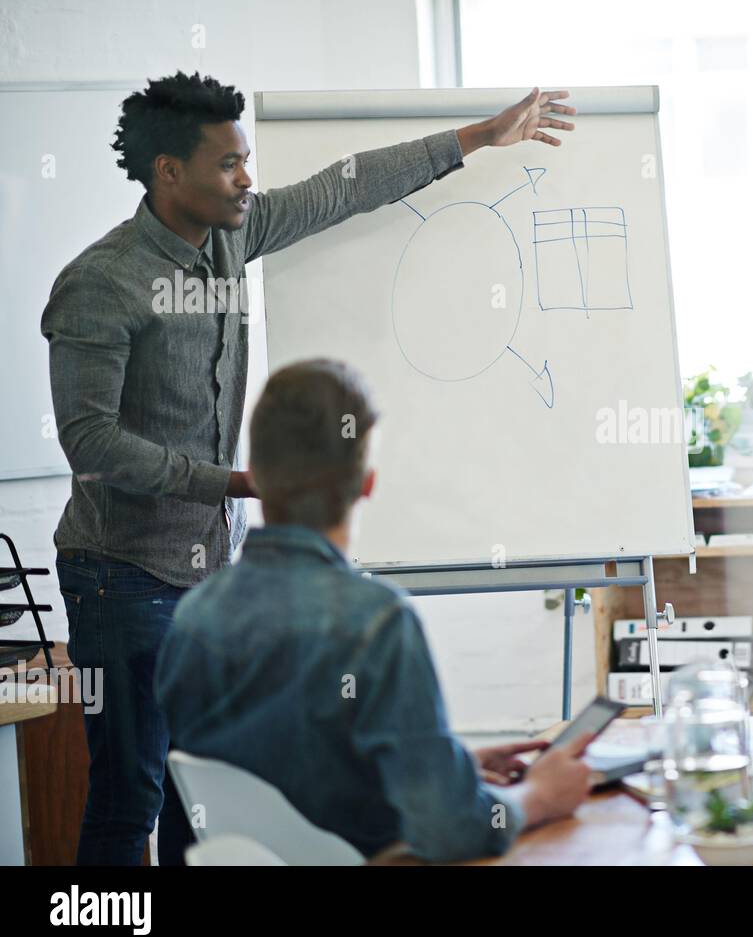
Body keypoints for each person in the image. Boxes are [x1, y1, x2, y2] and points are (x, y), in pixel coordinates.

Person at [42, 70, 576, 865]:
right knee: (132, 798)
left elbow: (345, 188)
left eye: (247, 159)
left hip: (205, 571)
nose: (247, 178)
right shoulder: (99, 283)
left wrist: (479, 137)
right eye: (229, 164)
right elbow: (89, 444)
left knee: (201, 803)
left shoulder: (233, 234)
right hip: (120, 572)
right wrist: (236, 482)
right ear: (170, 172)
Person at [156, 359, 593, 862]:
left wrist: (445, 768)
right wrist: (539, 796)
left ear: (256, 478)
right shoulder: (377, 623)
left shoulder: (192, 616)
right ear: (367, 483)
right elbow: (451, 833)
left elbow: (289, 786)